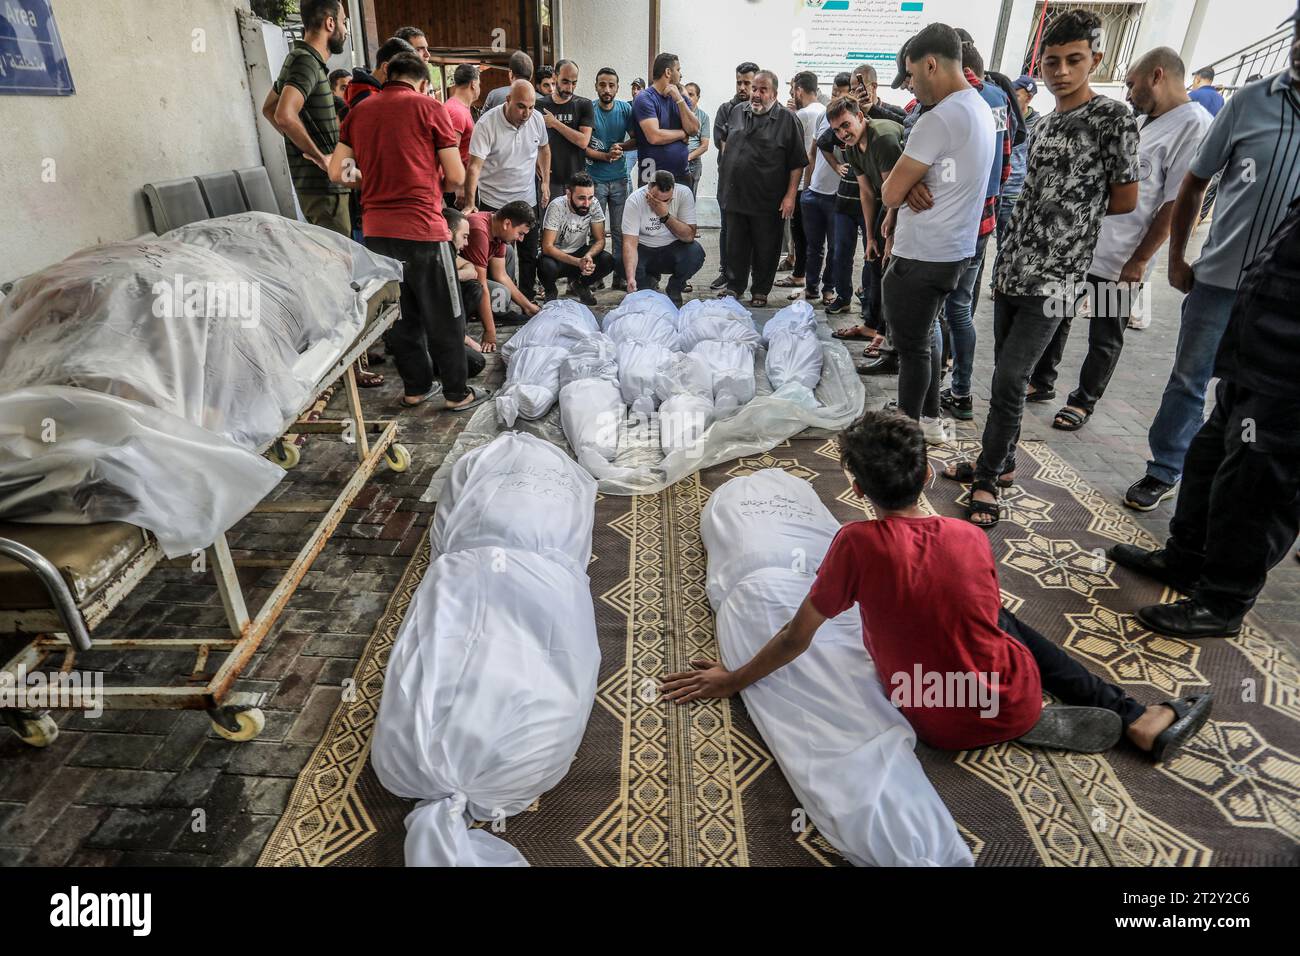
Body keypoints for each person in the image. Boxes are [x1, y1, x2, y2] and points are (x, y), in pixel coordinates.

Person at [661, 411, 1212, 764]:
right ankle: (1131, 717)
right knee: (1000, 621)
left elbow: (794, 638)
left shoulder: (854, 544)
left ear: (855, 488)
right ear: (928, 477)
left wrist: (733, 679)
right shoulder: (968, 536)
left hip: (931, 718)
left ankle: (1012, 718)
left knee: (934, 616)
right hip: (1011, 697)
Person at [942, 10, 1139, 527]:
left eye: (1074, 60)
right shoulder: (1043, 124)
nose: (1061, 71)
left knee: (1011, 379)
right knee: (1001, 375)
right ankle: (999, 463)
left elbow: (1124, 199)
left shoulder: (1112, 118)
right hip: (1011, 270)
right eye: (1052, 61)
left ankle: (988, 480)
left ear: (1095, 59)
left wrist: (1069, 223)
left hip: (1058, 278)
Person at [1123, 16, 1300, 512]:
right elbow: (1193, 184)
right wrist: (1177, 256)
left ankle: (1235, 489)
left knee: (1261, 398)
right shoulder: (1249, 103)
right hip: (1220, 279)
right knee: (1190, 377)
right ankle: (1165, 469)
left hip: (1287, 295)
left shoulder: (1191, 119)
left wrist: (1147, 257)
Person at [1112, 189, 1300, 637]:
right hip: (1255, 356)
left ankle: (1222, 602)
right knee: (1207, 459)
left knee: (1255, 490)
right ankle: (1185, 559)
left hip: (1287, 376)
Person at [1027, 49, 1211, 433]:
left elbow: (1175, 205)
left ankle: (1083, 400)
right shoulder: (1140, 120)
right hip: (1084, 247)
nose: (1128, 93)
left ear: (1157, 75)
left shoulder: (1193, 125)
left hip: (1124, 258)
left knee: (1105, 331)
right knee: (1054, 314)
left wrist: (1140, 260)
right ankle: (1042, 381)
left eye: (1131, 83)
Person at [330, 53, 490, 413]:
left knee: (401, 315)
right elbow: (455, 176)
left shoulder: (359, 112)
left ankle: (416, 388)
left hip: (377, 233)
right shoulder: (428, 108)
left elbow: (337, 172)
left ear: (388, 76)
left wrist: (370, 181)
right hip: (423, 229)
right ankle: (455, 393)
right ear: (421, 82)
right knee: (446, 314)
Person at [877, 23, 996, 445]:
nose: (910, 84)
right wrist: (915, 183)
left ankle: (905, 436)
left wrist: (906, 185)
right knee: (926, 336)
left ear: (931, 64)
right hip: (957, 250)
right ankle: (929, 421)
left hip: (923, 253)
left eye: (911, 74)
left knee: (911, 347)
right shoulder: (979, 108)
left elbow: (890, 191)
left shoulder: (939, 118)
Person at [935, 37, 1013, 424]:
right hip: (983, 218)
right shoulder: (998, 100)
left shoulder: (965, 102)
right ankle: (961, 389)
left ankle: (940, 392)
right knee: (960, 306)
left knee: (940, 310)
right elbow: (1007, 164)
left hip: (956, 220)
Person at [823, 64, 905, 333]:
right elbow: (867, 192)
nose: (842, 133)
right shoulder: (852, 148)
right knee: (874, 260)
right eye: (836, 130)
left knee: (891, 271)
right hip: (887, 201)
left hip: (906, 203)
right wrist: (870, 237)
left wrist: (890, 236)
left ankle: (885, 333)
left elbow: (896, 191)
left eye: (846, 125)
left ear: (860, 116)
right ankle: (874, 326)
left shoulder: (881, 137)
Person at [262, 0, 351, 238]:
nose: (345, 30)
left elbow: (269, 108)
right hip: (324, 190)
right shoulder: (306, 61)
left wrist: (302, 141)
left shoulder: (300, 57)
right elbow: (283, 115)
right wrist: (319, 156)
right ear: (330, 23)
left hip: (320, 188)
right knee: (339, 264)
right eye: (343, 22)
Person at [719, 69, 807, 307]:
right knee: (735, 246)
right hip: (736, 196)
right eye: (754, 89)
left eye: (762, 90)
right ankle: (734, 286)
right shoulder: (738, 112)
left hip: (767, 199)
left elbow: (797, 163)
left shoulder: (788, 120)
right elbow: (726, 143)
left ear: (775, 94)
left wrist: (790, 196)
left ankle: (760, 290)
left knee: (766, 248)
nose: (756, 94)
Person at [462, 80, 551, 300]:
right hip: (495, 201)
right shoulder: (487, 123)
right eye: (521, 106)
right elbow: (474, 167)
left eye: (531, 107)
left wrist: (545, 181)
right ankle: (499, 301)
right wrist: (470, 203)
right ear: (508, 100)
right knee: (496, 257)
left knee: (528, 252)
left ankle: (526, 296)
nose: (526, 113)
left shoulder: (537, 119)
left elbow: (545, 149)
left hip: (526, 197)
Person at [459, 202, 542, 354]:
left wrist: (528, 306)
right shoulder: (479, 230)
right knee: (500, 293)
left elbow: (500, 274)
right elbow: (481, 283)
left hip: (476, 273)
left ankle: (496, 311)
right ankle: (480, 315)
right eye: (520, 233)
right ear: (507, 223)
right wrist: (490, 332)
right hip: (460, 280)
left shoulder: (499, 231)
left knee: (509, 251)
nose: (521, 239)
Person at [774, 72, 826, 296]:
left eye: (792, 89)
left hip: (802, 180)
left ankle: (799, 275)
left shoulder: (801, 115)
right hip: (819, 182)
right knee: (814, 236)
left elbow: (789, 149)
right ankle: (812, 279)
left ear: (799, 90)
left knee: (800, 234)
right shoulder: (824, 112)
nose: (790, 93)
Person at [709, 61, 760, 292]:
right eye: (739, 82)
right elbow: (724, 146)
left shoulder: (764, 111)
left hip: (756, 184)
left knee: (752, 229)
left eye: (747, 83)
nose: (742, 87)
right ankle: (725, 272)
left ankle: (747, 274)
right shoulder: (726, 110)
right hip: (729, 182)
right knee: (727, 228)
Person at [586, 67, 638, 290]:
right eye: (602, 85)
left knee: (619, 231)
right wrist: (605, 155)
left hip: (619, 179)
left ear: (617, 87)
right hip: (594, 180)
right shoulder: (588, 109)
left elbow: (636, 140)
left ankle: (620, 276)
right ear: (596, 86)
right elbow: (584, 147)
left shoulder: (626, 109)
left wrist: (621, 147)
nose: (607, 90)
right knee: (594, 232)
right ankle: (593, 277)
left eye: (611, 85)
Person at [622, 170, 705, 305]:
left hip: (672, 247)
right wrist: (630, 277)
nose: (660, 203)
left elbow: (689, 236)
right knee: (621, 259)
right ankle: (646, 282)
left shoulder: (683, 193)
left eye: (666, 200)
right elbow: (630, 243)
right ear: (648, 189)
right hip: (644, 248)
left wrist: (665, 215)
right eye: (655, 199)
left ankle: (674, 288)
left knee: (695, 253)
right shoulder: (634, 199)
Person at [538, 171, 615, 305]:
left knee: (607, 260)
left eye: (590, 197)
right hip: (557, 256)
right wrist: (577, 262)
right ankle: (550, 291)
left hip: (579, 252)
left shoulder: (594, 204)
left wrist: (589, 256)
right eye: (581, 198)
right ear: (569, 194)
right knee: (545, 266)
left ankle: (580, 284)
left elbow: (600, 240)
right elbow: (547, 247)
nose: (586, 203)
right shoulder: (556, 206)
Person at [632, 53, 699, 187]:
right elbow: (654, 136)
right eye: (678, 70)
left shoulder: (680, 98)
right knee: (651, 207)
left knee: (682, 208)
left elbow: (694, 129)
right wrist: (682, 134)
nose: (680, 75)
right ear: (668, 72)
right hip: (651, 172)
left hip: (681, 173)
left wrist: (679, 99)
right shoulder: (645, 98)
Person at [438, 207, 490, 382]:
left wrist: (453, 277)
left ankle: (457, 337)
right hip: (427, 333)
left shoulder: (448, 253)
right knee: (475, 363)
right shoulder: (436, 256)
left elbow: (471, 269)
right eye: (464, 237)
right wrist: (466, 340)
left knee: (473, 286)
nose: (467, 243)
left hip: (441, 329)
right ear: (448, 233)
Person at [537, 59, 595, 204]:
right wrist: (535, 164)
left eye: (574, 83)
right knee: (549, 224)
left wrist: (555, 123)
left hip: (576, 179)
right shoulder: (540, 105)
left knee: (576, 225)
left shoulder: (584, 104)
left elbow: (583, 141)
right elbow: (531, 140)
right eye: (565, 81)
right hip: (549, 178)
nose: (569, 88)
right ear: (555, 77)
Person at [997, 75, 1042, 248]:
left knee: (1007, 245)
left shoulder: (1037, 124)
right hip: (997, 189)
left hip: (1015, 193)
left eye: (1016, 95)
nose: (1011, 99)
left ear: (1029, 97)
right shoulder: (1005, 117)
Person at [443, 64, 480, 207]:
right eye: (479, 84)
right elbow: (451, 150)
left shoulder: (459, 108)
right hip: (459, 186)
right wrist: (460, 187)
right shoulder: (456, 111)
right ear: (473, 84)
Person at [346, 36, 416, 109]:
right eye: (405, 75)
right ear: (386, 68)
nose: (408, 83)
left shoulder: (358, 88)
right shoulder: (369, 99)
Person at [394, 25, 441, 97]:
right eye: (419, 49)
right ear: (403, 53)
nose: (427, 54)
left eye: (426, 49)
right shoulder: (392, 89)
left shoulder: (426, 81)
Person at [684, 82, 711, 196]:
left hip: (693, 163)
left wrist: (687, 158)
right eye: (685, 95)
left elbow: (704, 146)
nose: (687, 98)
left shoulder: (703, 117)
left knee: (690, 199)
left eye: (691, 94)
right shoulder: (677, 112)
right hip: (675, 161)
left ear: (698, 98)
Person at [625, 77, 647, 190]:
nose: (635, 91)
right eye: (633, 88)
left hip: (645, 147)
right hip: (630, 146)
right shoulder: (627, 106)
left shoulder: (648, 106)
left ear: (644, 90)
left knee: (645, 179)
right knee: (625, 173)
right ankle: (630, 199)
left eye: (638, 88)